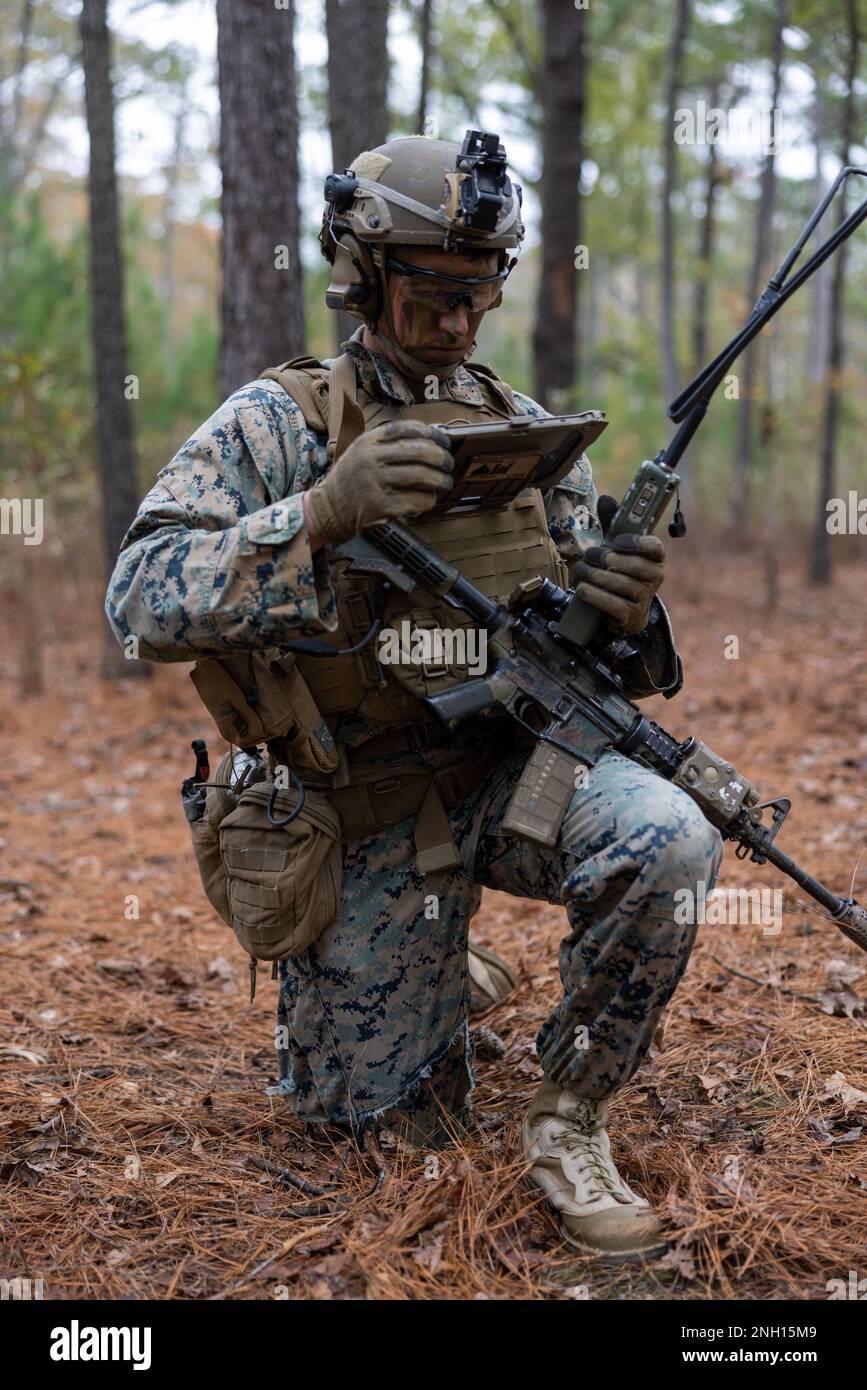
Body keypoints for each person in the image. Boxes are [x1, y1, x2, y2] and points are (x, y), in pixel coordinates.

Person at [106, 131, 722, 1258]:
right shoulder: (279, 424)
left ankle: (569, 1111)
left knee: (669, 840)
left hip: (508, 782)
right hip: (359, 818)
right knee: (381, 1134)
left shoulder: (529, 436)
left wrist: (626, 611)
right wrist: (320, 515)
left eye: (479, 292)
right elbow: (138, 598)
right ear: (363, 274)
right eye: (432, 292)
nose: (457, 323)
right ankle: (432, 962)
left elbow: (587, 649)